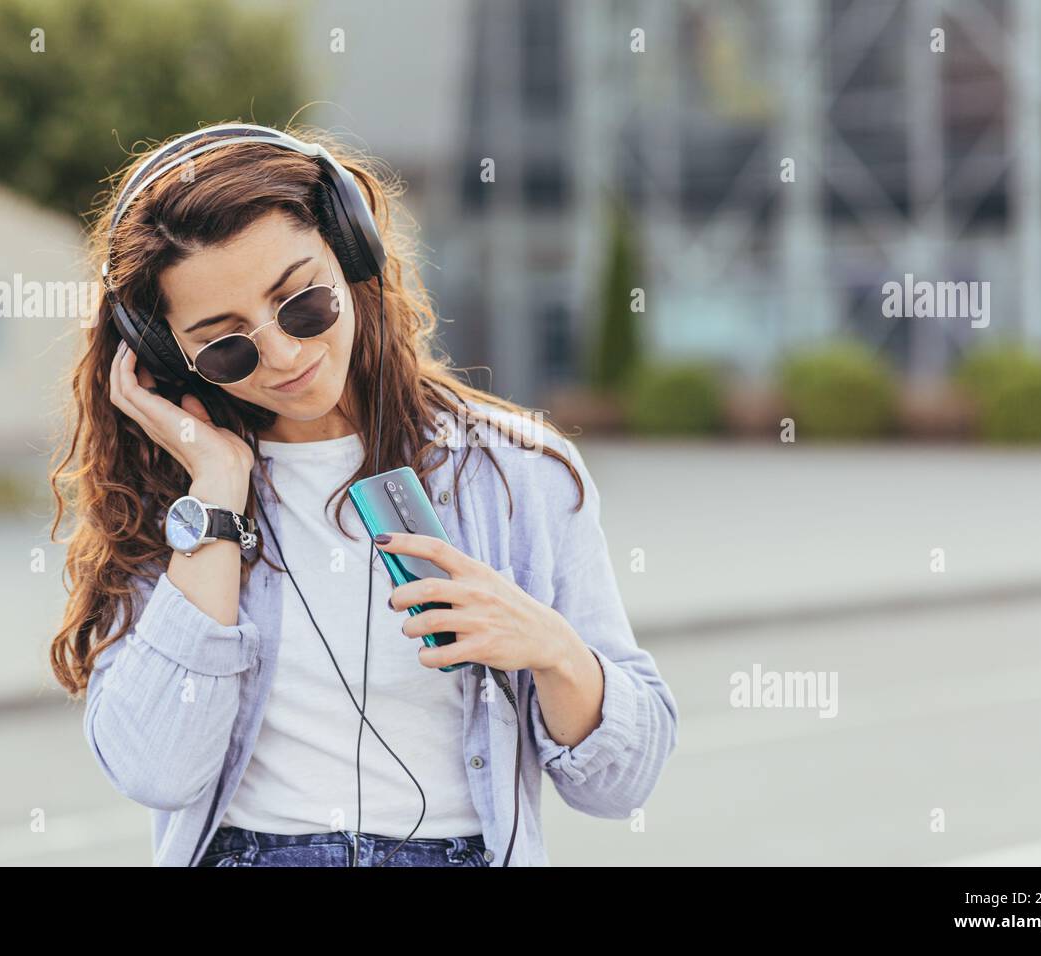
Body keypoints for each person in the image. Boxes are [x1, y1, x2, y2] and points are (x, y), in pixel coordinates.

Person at [48, 122, 678, 866]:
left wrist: (554, 651)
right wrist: (216, 495)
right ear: (168, 358)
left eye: (301, 303)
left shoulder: (518, 475)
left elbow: (622, 785)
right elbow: (156, 768)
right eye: (226, 344)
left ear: (352, 255)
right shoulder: (171, 504)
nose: (283, 356)